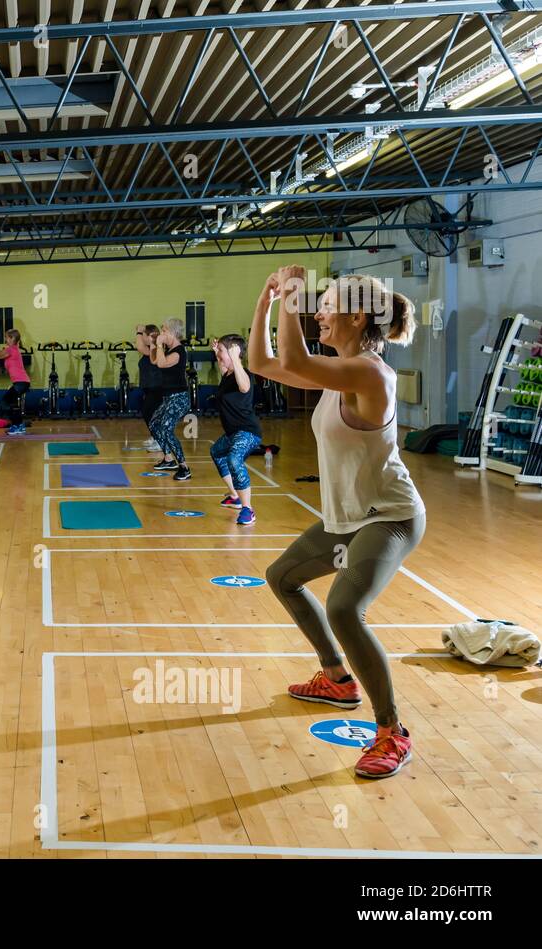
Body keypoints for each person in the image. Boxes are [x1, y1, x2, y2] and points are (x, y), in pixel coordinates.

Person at [249, 266, 423, 779]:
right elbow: (263, 362)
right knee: (282, 577)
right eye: (316, 305)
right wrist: (268, 296)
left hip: (389, 516)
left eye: (324, 306)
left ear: (355, 316)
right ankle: (336, 679)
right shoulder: (337, 369)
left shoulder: (369, 373)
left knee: (344, 607)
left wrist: (292, 298)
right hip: (346, 519)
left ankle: (392, 731)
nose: (318, 314)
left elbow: (294, 355)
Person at [210, 334, 262, 526]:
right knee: (216, 452)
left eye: (224, 351)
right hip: (233, 433)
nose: (220, 355)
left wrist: (236, 357)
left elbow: (245, 387)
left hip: (248, 432)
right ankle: (235, 495)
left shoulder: (244, 374)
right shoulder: (228, 373)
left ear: (234, 353)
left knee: (233, 459)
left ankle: (248, 509)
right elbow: (224, 366)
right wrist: (218, 353)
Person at [147, 318, 191, 480]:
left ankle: (184, 468)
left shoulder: (179, 352)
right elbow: (154, 360)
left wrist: (159, 344)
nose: (162, 333)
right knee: (154, 424)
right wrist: (153, 343)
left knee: (165, 428)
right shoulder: (168, 350)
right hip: (168, 398)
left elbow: (162, 364)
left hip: (179, 398)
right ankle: (168, 459)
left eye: (164, 330)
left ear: (172, 333)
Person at [0, 329, 30, 435]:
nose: (5, 339)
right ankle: (19, 426)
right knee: (10, 403)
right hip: (21, 383)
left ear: (12, 338)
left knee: (5, 402)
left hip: (21, 382)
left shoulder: (11, 349)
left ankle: (18, 425)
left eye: (7, 337)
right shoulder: (13, 349)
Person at [133, 324, 162, 451]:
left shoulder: (155, 348)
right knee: (149, 412)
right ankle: (155, 437)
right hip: (149, 387)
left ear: (149, 336)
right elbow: (139, 345)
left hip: (157, 387)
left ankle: (159, 440)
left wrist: (139, 332)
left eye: (144, 336)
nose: (141, 338)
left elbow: (139, 346)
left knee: (150, 412)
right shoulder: (150, 348)